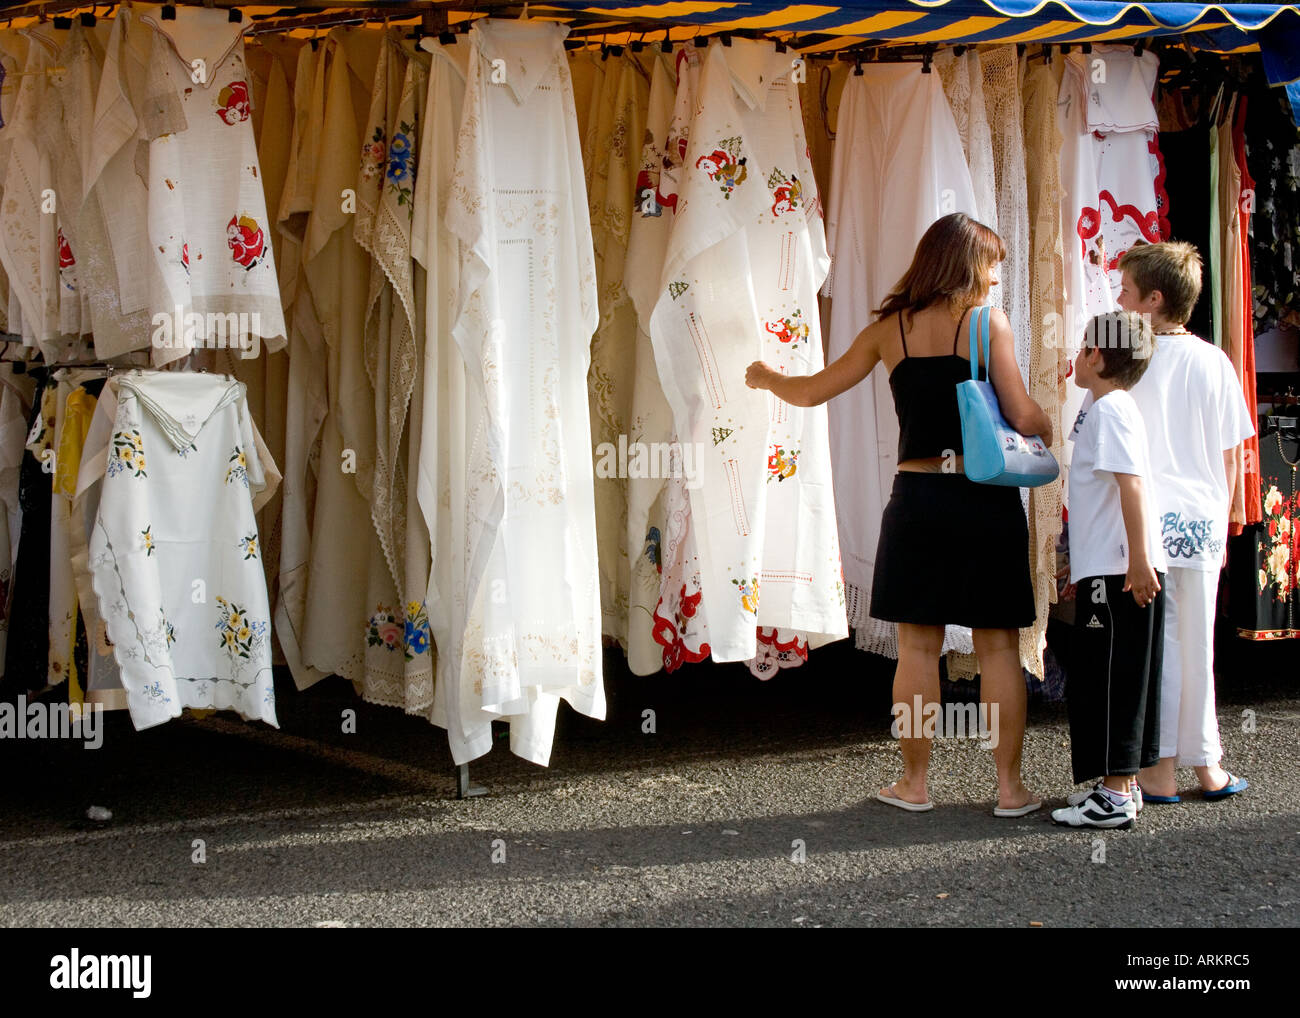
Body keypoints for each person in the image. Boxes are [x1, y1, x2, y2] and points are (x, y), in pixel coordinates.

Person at [745, 212, 1051, 816]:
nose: (995, 279)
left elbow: (811, 392)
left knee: (917, 648)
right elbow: (1020, 414)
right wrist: (1044, 423)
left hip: (918, 501)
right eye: (991, 265)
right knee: (997, 648)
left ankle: (914, 785)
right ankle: (1010, 790)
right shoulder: (989, 324)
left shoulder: (891, 330)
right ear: (967, 265)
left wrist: (764, 376)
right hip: (982, 497)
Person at [1117, 241, 1255, 802]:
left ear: (1153, 299)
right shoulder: (1214, 360)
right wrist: (1226, 516)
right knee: (1198, 642)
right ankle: (1207, 764)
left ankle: (1159, 767)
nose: (1118, 300)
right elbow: (1230, 454)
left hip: (1148, 516)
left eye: (1125, 291)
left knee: (1157, 644)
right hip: (1201, 516)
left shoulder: (1130, 359)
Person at [1051, 312, 1165, 829]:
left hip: (1122, 570)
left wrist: (1138, 561)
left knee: (1117, 673)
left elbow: (1131, 485)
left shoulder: (1113, 410)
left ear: (1097, 356)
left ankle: (1117, 793)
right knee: (1107, 671)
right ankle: (1120, 784)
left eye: (1082, 348)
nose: (1075, 355)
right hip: (1112, 565)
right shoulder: (1105, 407)